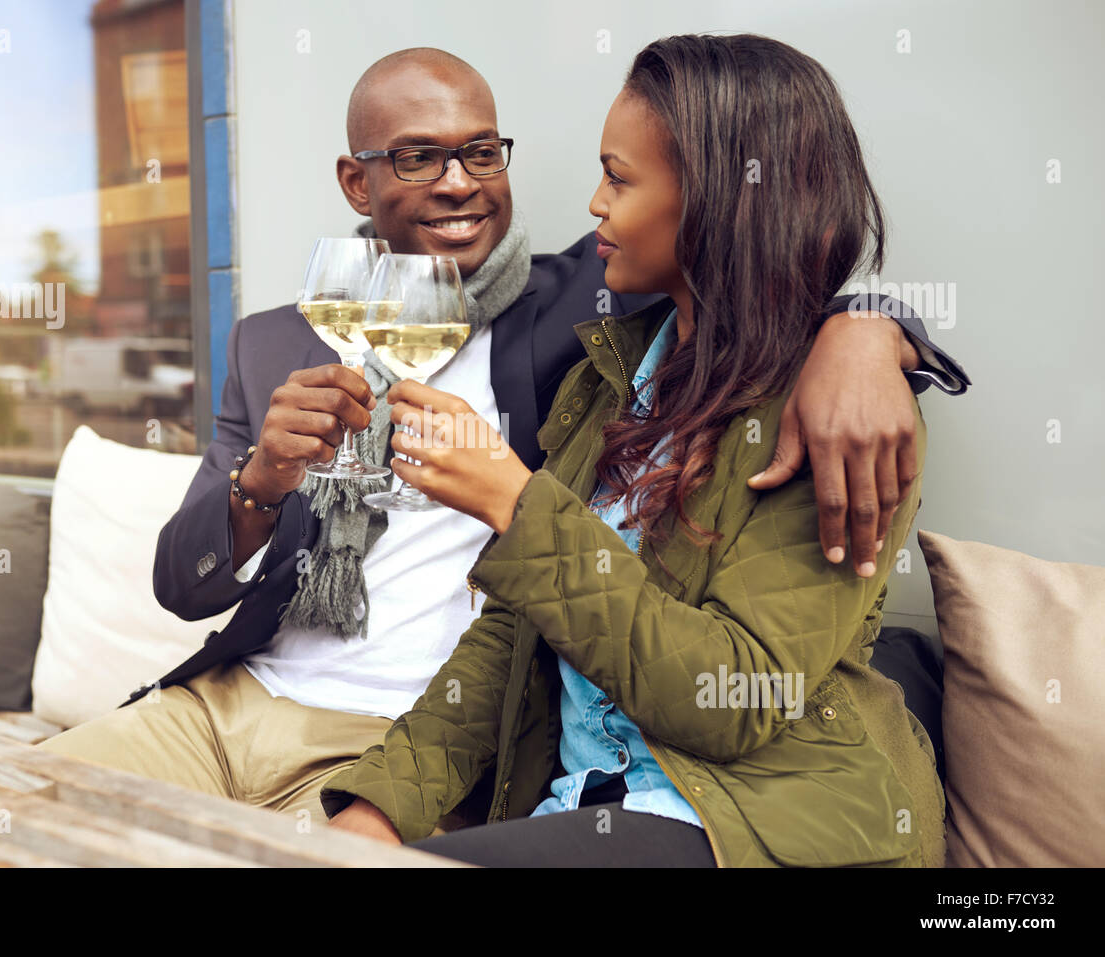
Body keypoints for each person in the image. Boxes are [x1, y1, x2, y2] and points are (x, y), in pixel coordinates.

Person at [38, 46, 967, 831]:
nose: (458, 182)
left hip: (401, 734)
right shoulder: (275, 341)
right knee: (2, 812)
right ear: (355, 181)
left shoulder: (584, 303)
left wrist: (867, 328)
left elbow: (758, 259)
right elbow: (181, 584)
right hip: (229, 704)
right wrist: (263, 480)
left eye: (481, 151)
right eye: (418, 157)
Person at [321, 33, 949, 867]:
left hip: (755, 824)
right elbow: (510, 640)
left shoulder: (834, 417)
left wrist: (517, 504)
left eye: (619, 178)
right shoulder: (615, 377)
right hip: (590, 804)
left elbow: (731, 696)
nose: (593, 202)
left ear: (721, 199)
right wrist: (378, 805)